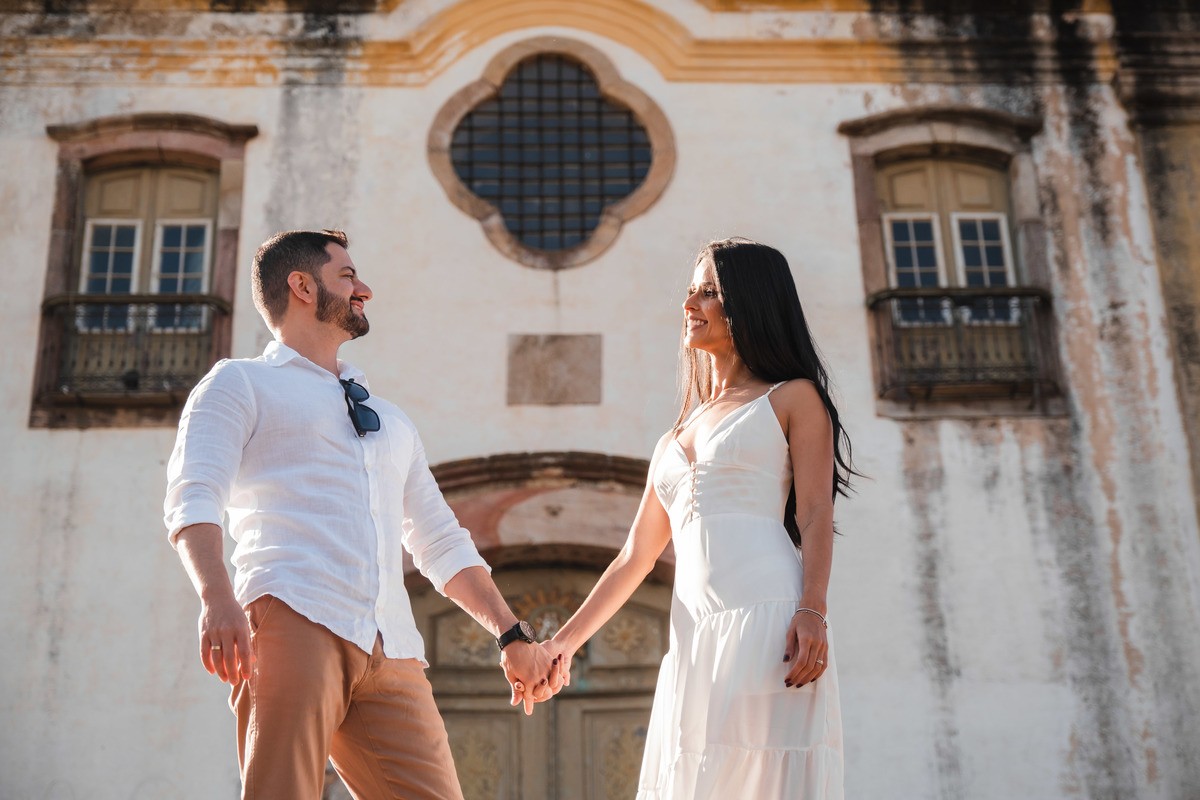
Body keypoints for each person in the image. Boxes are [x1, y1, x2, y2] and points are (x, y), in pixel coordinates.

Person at [163, 229, 559, 800]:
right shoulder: (239, 384)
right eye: (347, 276)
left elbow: (440, 539)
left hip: (392, 646)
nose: (363, 288)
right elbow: (193, 495)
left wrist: (511, 634)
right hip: (293, 616)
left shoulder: (390, 419)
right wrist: (216, 598)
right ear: (301, 286)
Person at [542, 238, 855, 799]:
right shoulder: (674, 434)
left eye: (709, 292)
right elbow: (636, 556)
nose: (690, 305)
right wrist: (561, 646)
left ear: (750, 303)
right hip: (693, 635)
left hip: (769, 619)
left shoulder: (791, 398)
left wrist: (813, 610)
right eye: (691, 291)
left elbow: (813, 513)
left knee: (762, 780)